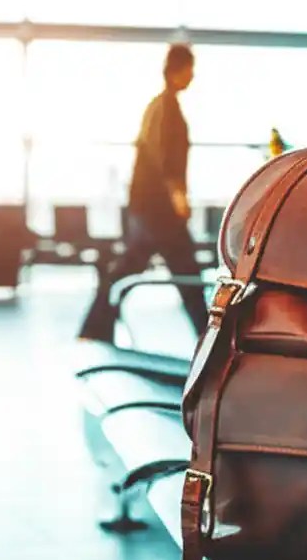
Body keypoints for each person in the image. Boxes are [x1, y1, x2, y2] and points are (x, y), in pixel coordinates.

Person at [78, 43, 209, 340]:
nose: (192, 76)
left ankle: (94, 328)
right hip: (159, 210)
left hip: (147, 207)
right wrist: (178, 197)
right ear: (176, 71)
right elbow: (166, 158)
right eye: (189, 70)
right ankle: (209, 338)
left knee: (131, 269)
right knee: (186, 273)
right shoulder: (166, 109)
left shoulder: (159, 106)